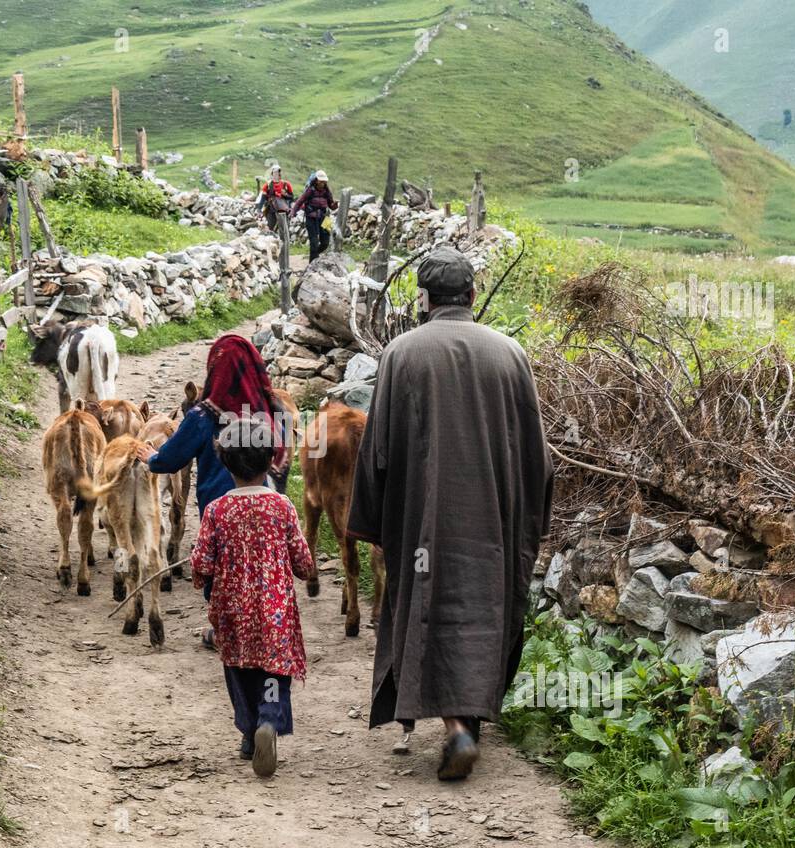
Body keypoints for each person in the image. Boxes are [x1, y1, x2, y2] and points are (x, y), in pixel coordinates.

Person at [346, 246, 554, 782]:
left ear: (425, 299)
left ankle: (456, 726)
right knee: (482, 612)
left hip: (423, 520)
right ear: (472, 294)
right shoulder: (509, 353)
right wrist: (528, 518)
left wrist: (371, 519)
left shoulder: (401, 353)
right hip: (493, 521)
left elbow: (379, 451)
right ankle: (466, 724)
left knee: (428, 610)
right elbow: (537, 455)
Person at [136, 334, 290, 647]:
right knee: (264, 564)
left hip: (220, 505)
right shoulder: (272, 409)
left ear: (215, 370)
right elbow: (283, 455)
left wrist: (151, 459)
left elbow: (173, 457)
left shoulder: (205, 415)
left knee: (223, 569)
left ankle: (226, 632)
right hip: (268, 502)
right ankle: (267, 627)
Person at [191, 419, 315, 777]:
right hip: (275, 611)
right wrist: (304, 571)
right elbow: (303, 563)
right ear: (270, 461)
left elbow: (202, 564)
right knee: (274, 671)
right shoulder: (282, 507)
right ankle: (268, 720)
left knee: (239, 670)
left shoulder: (216, 511)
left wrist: (200, 576)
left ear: (226, 463)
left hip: (231, 610)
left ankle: (248, 733)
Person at [292, 169, 338, 262]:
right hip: (311, 218)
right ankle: (312, 264)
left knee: (325, 242)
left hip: (325, 218)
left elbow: (331, 205)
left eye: (324, 182)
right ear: (316, 181)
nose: (323, 183)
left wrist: (334, 206)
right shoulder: (310, 190)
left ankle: (315, 255)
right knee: (314, 243)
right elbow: (300, 201)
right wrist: (293, 212)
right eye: (321, 181)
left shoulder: (327, 191)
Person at [255, 164, 296, 231]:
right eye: (275, 172)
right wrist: (259, 209)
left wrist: (285, 195)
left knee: (284, 229)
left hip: (284, 211)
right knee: (271, 228)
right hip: (271, 210)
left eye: (278, 172)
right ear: (272, 174)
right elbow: (263, 198)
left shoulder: (286, 184)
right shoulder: (267, 185)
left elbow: (292, 197)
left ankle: (284, 241)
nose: (277, 174)